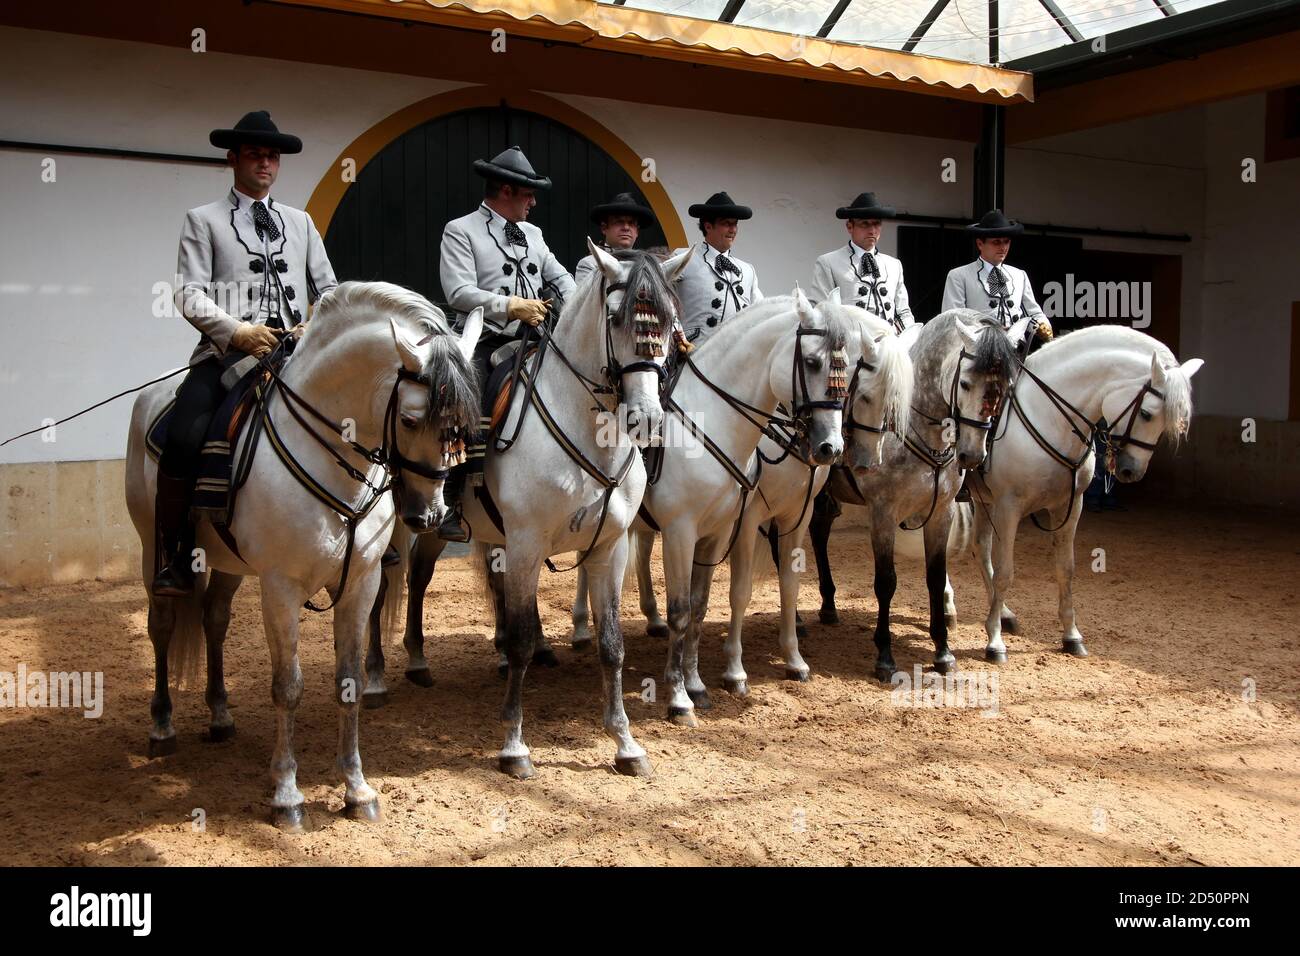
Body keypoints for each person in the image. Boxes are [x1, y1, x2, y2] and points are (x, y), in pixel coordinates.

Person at [154, 110, 337, 596]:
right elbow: (189, 294)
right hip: (226, 356)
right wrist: (237, 332)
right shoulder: (203, 220)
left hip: (297, 354)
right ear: (233, 159)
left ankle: (370, 535)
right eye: (255, 155)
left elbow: (331, 291)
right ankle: (178, 556)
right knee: (184, 435)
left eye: (272, 157)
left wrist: (310, 327)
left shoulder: (300, 222)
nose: (265, 164)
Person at [437, 145, 576, 540]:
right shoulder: (460, 229)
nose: (533, 201)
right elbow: (458, 292)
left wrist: (582, 305)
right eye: (528, 193)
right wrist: (511, 305)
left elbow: (561, 278)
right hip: (484, 337)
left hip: (537, 335)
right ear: (505, 189)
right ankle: (451, 497)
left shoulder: (534, 234)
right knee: (468, 400)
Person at [941, 209, 1053, 346]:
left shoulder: (1019, 275)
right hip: (977, 353)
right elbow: (952, 320)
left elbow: (1033, 312)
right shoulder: (959, 275)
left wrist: (1042, 325)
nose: (1003, 247)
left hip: (1014, 351)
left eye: (1006, 242)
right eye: (996, 242)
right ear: (980, 244)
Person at [811, 191, 913, 331]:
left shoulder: (894, 265)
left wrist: (910, 339)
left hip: (889, 345)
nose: (872, 230)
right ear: (849, 227)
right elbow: (821, 311)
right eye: (864, 224)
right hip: (850, 346)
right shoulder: (828, 262)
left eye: (877, 224)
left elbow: (903, 312)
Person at [672, 191, 762, 343]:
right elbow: (663, 303)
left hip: (738, 355)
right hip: (692, 354)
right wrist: (676, 331)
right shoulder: (683, 258)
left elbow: (761, 312)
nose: (732, 229)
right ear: (708, 226)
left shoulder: (747, 270)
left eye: (735, 224)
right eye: (726, 223)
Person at [574, 191, 655, 283]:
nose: (626, 227)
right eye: (619, 222)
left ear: (637, 231)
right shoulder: (589, 264)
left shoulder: (648, 267)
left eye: (631, 223)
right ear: (604, 228)